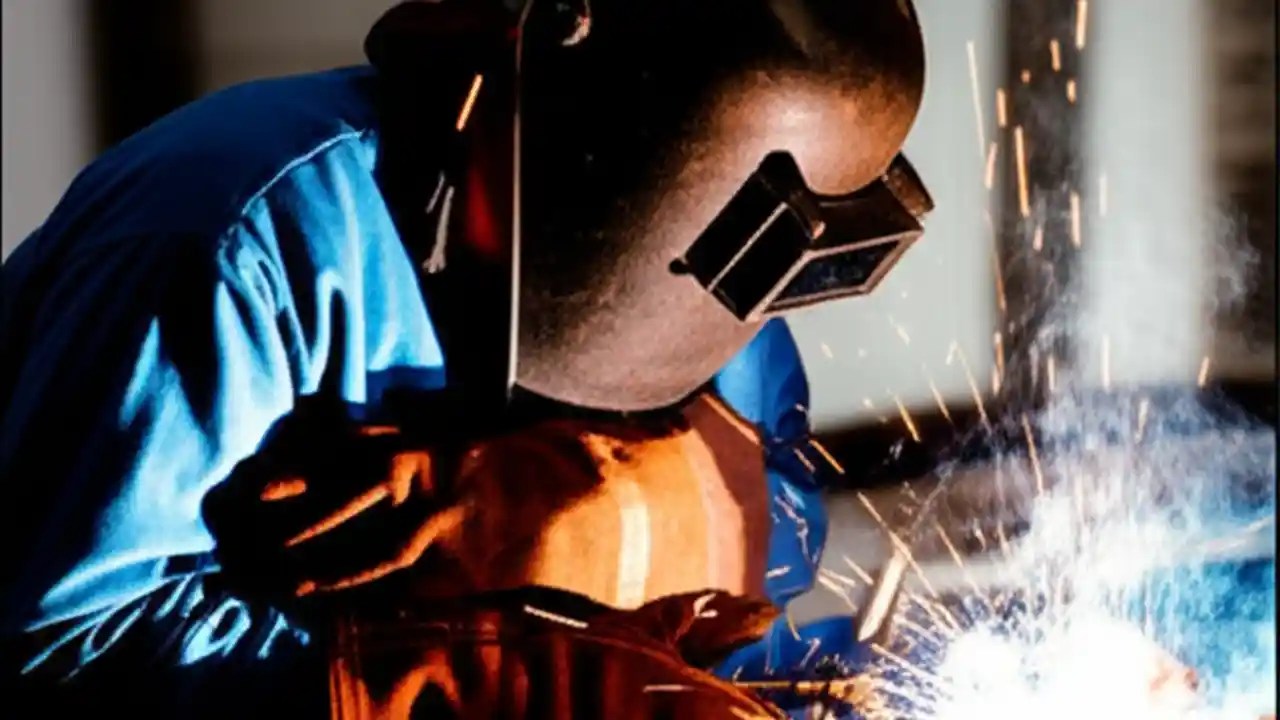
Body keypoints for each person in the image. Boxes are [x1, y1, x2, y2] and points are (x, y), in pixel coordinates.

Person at [0, 0, 930, 717]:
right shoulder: (231, 241)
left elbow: (775, 553)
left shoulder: (725, 286)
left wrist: (643, 530)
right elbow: (54, 642)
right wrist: (462, 691)